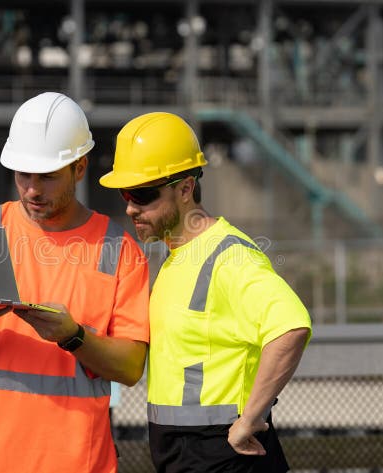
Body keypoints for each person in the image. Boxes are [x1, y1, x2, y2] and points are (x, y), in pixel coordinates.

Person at [0, 92, 150, 473]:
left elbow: (130, 368)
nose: (32, 189)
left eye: (46, 176)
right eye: (22, 174)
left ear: (80, 168)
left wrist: (73, 335)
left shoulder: (119, 250)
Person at [99, 112, 312, 473]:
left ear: (185, 188)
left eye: (144, 194)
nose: (131, 207)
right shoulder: (176, 258)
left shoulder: (229, 257)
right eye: (125, 194)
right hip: (191, 454)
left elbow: (291, 327)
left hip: (223, 455)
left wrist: (249, 421)